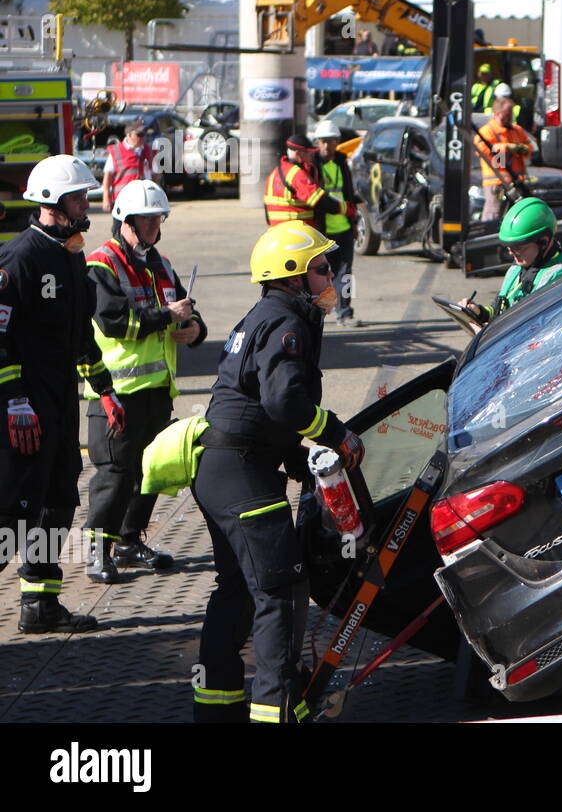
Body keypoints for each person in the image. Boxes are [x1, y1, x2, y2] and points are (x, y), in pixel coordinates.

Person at [191, 221, 364, 723]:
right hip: (242, 472)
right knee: (281, 593)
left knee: (239, 589)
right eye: (321, 268)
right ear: (293, 276)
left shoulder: (269, 314)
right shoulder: (286, 322)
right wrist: (336, 434)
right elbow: (283, 399)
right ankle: (278, 710)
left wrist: (295, 459)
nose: (331, 274)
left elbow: (255, 402)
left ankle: (217, 708)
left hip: (226, 469)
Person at [0, 155, 124, 633]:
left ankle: (40, 602)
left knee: (57, 499)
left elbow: (81, 337)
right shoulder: (18, 260)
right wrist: (14, 400)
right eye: (79, 197)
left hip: (58, 404)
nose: (86, 204)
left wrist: (105, 390)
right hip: (21, 407)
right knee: (15, 506)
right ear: (52, 202)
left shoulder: (73, 258)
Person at [82, 179, 207, 583]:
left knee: (150, 469)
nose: (157, 228)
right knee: (115, 475)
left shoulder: (161, 263)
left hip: (156, 390)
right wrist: (167, 317)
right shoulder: (102, 264)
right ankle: (98, 552)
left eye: (159, 219)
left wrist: (194, 329)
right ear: (127, 221)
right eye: (150, 220)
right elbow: (115, 323)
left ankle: (130, 541)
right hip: (115, 393)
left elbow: (186, 309)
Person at [460, 198, 562, 328]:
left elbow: (539, 331)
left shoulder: (559, 275)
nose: (511, 253)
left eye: (518, 247)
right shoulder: (517, 269)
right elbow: (500, 311)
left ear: (543, 241)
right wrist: (479, 312)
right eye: (509, 247)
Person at [311, 119, 361, 327]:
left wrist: (354, 224)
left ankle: (345, 312)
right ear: (317, 142)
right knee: (318, 275)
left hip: (344, 229)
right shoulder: (312, 164)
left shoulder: (342, 163)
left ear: (337, 142)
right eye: (323, 141)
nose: (326, 146)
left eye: (330, 141)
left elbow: (348, 193)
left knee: (345, 275)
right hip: (323, 232)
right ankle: (316, 313)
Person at [262, 131, 344, 231]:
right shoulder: (297, 175)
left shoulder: (274, 173)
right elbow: (319, 200)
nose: (312, 155)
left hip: (277, 233)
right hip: (297, 234)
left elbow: (266, 210)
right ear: (298, 154)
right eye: (309, 152)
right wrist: (345, 208)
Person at [474, 91, 536, 223]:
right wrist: (508, 147)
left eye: (510, 114)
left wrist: (524, 149)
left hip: (518, 182)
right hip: (497, 185)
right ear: (496, 113)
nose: (509, 118)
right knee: (494, 217)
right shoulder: (487, 131)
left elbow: (530, 148)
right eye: (506, 115)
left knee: (520, 217)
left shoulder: (517, 130)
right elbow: (483, 150)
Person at [101, 119, 159, 213]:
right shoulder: (116, 151)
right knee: (119, 227)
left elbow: (155, 176)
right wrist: (106, 198)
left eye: (144, 135)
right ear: (129, 135)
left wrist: (156, 196)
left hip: (144, 201)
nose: (142, 138)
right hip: (122, 200)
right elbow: (107, 177)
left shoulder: (149, 151)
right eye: (139, 135)